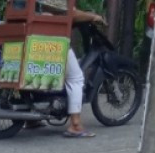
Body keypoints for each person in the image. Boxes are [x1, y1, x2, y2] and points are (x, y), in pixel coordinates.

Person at [33, 0, 107, 138]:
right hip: (52, 42)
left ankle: (30, 119)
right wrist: (93, 17)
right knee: (75, 78)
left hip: (32, 40)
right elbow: (71, 13)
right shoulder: (54, 4)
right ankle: (76, 125)